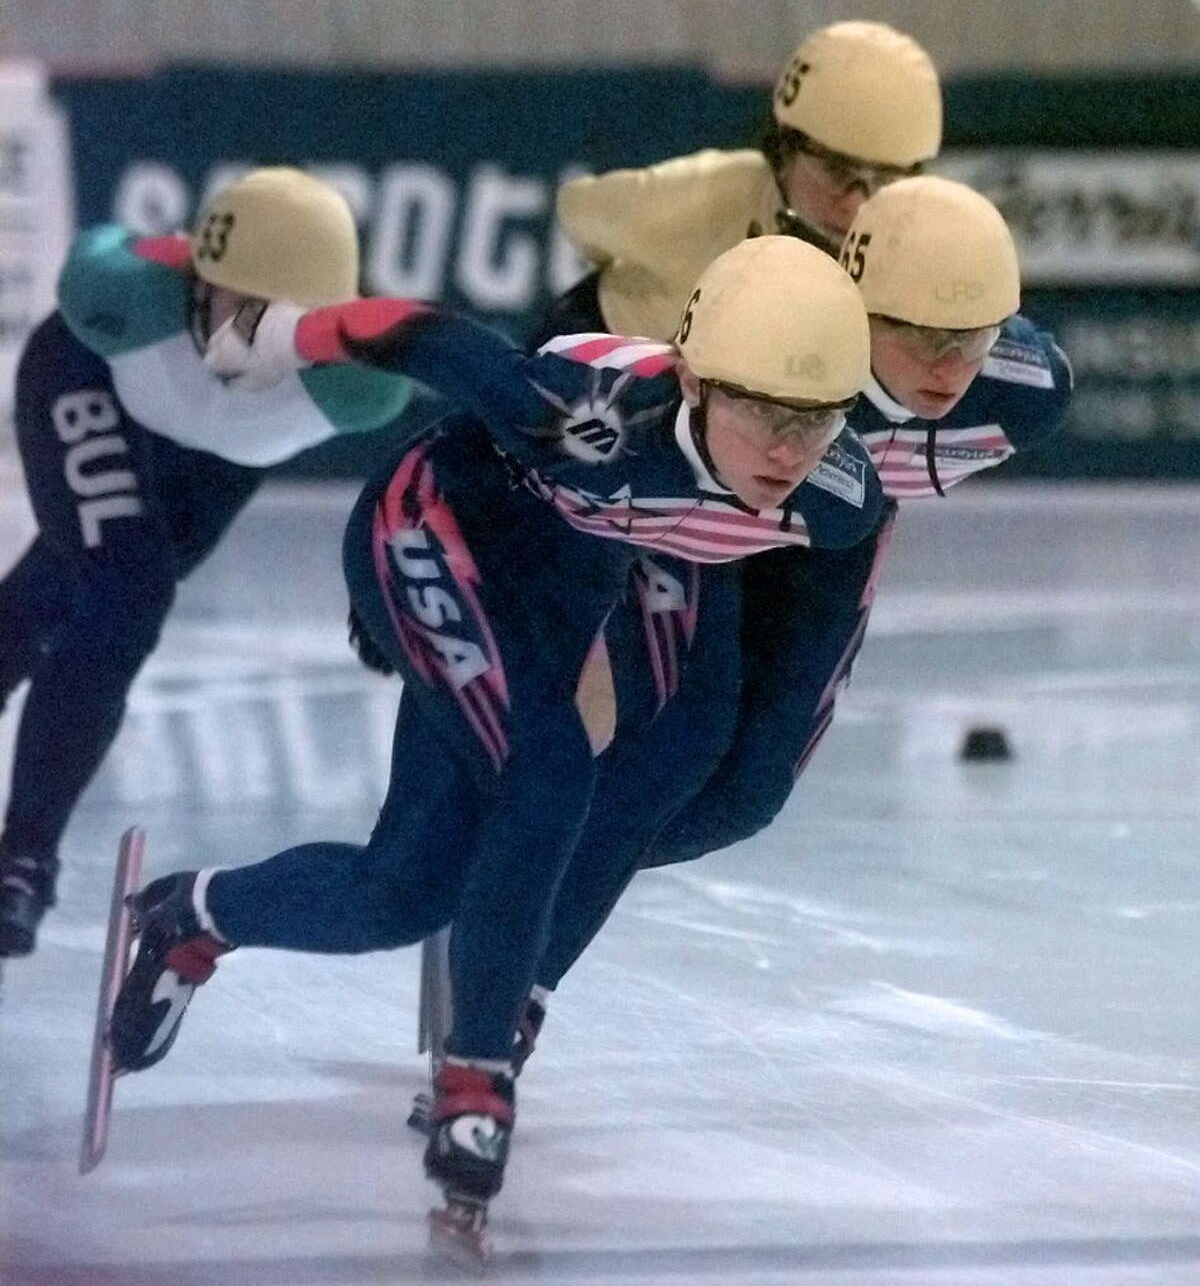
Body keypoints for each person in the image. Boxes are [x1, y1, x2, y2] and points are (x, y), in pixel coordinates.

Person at [105, 234, 883, 1218]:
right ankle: (478, 1077)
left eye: (815, 421)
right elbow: (418, 335)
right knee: (551, 773)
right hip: (427, 530)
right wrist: (277, 331)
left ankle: (191, 914)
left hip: (552, 590)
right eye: (764, 414)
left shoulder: (836, 495)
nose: (786, 450)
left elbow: (682, 560)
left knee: (400, 894)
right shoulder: (589, 413)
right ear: (690, 379)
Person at [515, 176, 1074, 1064]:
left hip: (834, 525)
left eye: (969, 340)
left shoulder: (1025, 386)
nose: (947, 368)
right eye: (919, 338)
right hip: (714, 501)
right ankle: (512, 992)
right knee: (676, 745)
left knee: (743, 799)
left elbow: (885, 469)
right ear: (854, 311)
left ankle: (508, 882)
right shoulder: (781, 337)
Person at [0, 167, 413, 959]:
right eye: (232, 308)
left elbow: (451, 446)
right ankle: (26, 861)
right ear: (192, 279)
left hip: (215, 457)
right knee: (125, 588)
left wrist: (382, 579)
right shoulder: (117, 293)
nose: (245, 342)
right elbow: (101, 248)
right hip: (91, 376)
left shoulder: (365, 384)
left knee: (70, 594)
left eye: (281, 324)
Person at [541, 18, 942, 346]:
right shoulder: (708, 193)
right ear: (784, 152)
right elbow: (577, 210)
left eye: (885, 181)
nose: (855, 205)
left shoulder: (920, 236)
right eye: (838, 172)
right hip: (610, 352)